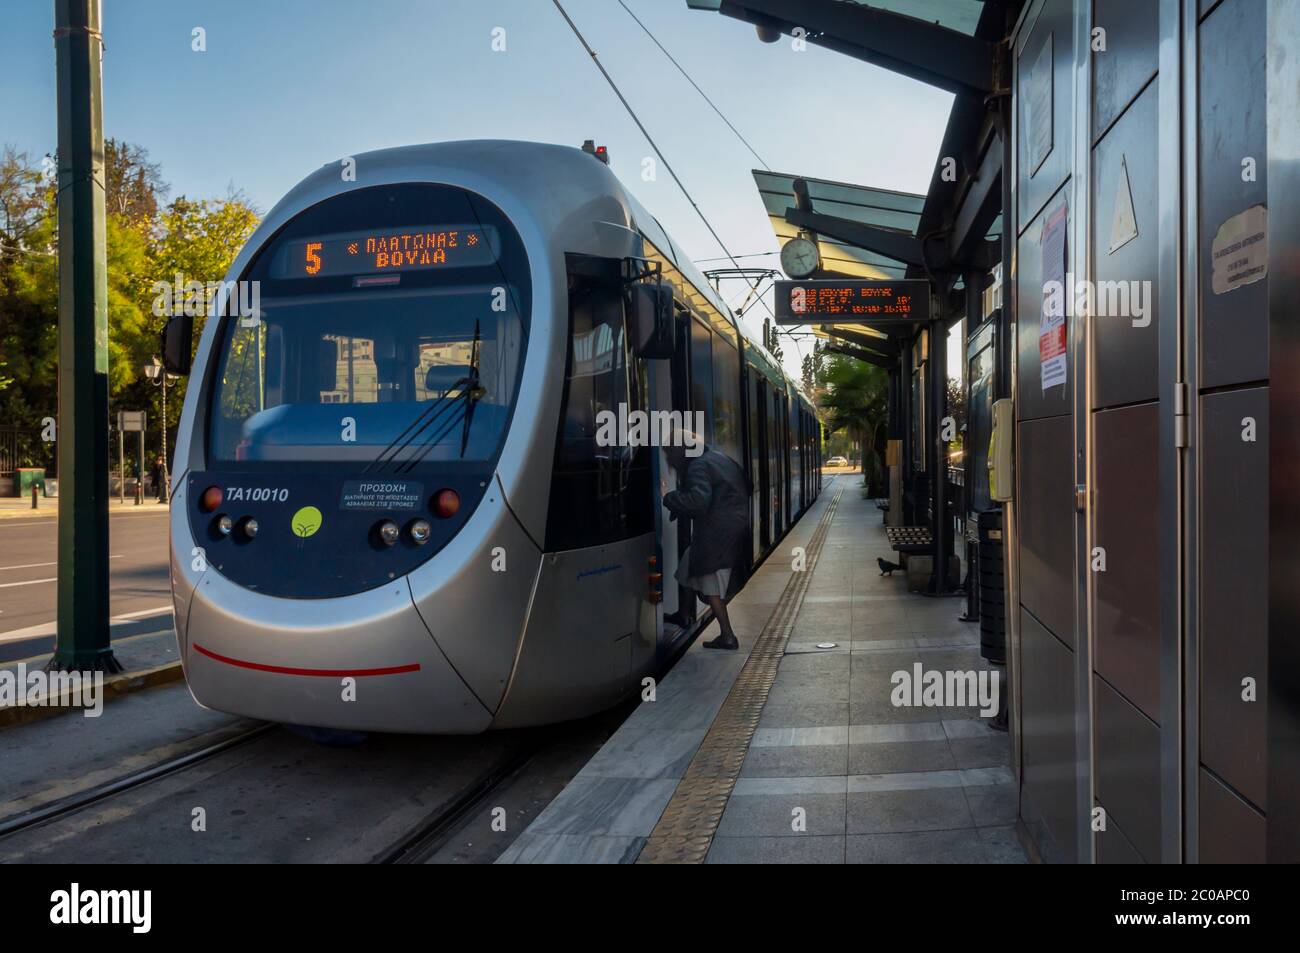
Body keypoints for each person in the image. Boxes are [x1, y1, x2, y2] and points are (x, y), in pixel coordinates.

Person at [661, 433, 749, 650]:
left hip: (716, 534)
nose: (668, 459)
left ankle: (727, 636)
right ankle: (684, 613)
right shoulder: (718, 457)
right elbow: (748, 484)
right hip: (730, 527)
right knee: (686, 568)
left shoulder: (697, 466)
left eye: (668, 453)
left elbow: (698, 502)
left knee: (711, 587)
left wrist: (669, 497)